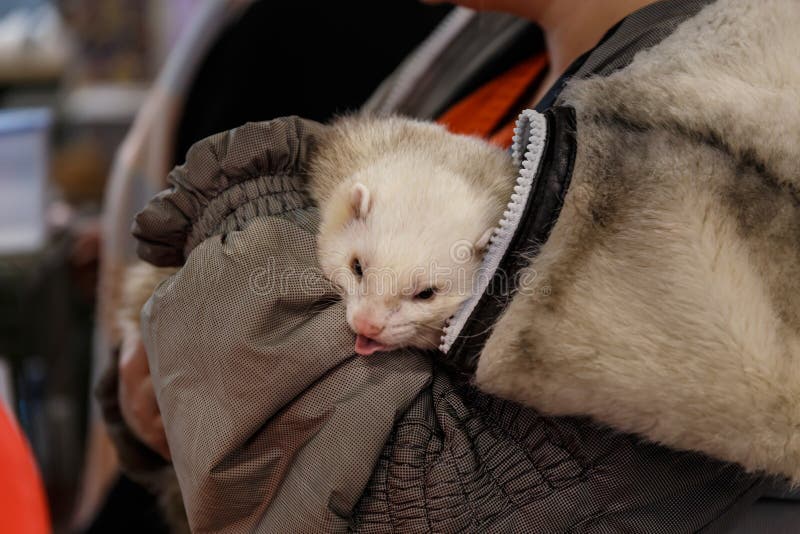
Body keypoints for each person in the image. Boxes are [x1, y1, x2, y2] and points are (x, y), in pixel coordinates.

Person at [100, 0, 800, 531]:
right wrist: (162, 370)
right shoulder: (484, 45)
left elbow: (415, 498)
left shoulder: (736, 126)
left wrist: (231, 232)